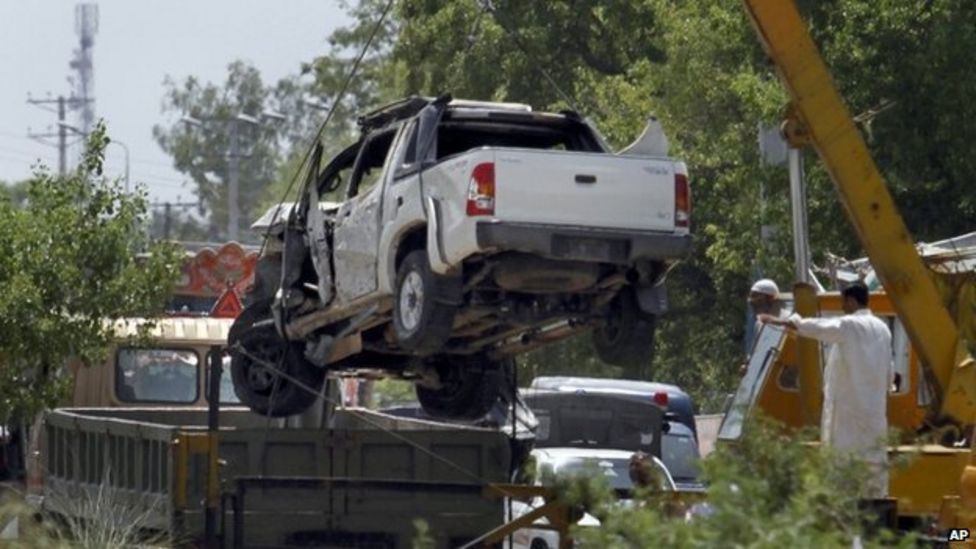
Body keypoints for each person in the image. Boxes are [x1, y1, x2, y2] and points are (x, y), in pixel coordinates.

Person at [759, 281, 892, 498]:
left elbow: (818, 327)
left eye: (843, 302)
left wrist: (784, 321)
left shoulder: (850, 325)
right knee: (873, 474)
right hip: (874, 415)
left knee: (844, 474)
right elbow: (889, 374)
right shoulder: (883, 329)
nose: (842, 307)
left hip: (848, 415)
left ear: (851, 301)